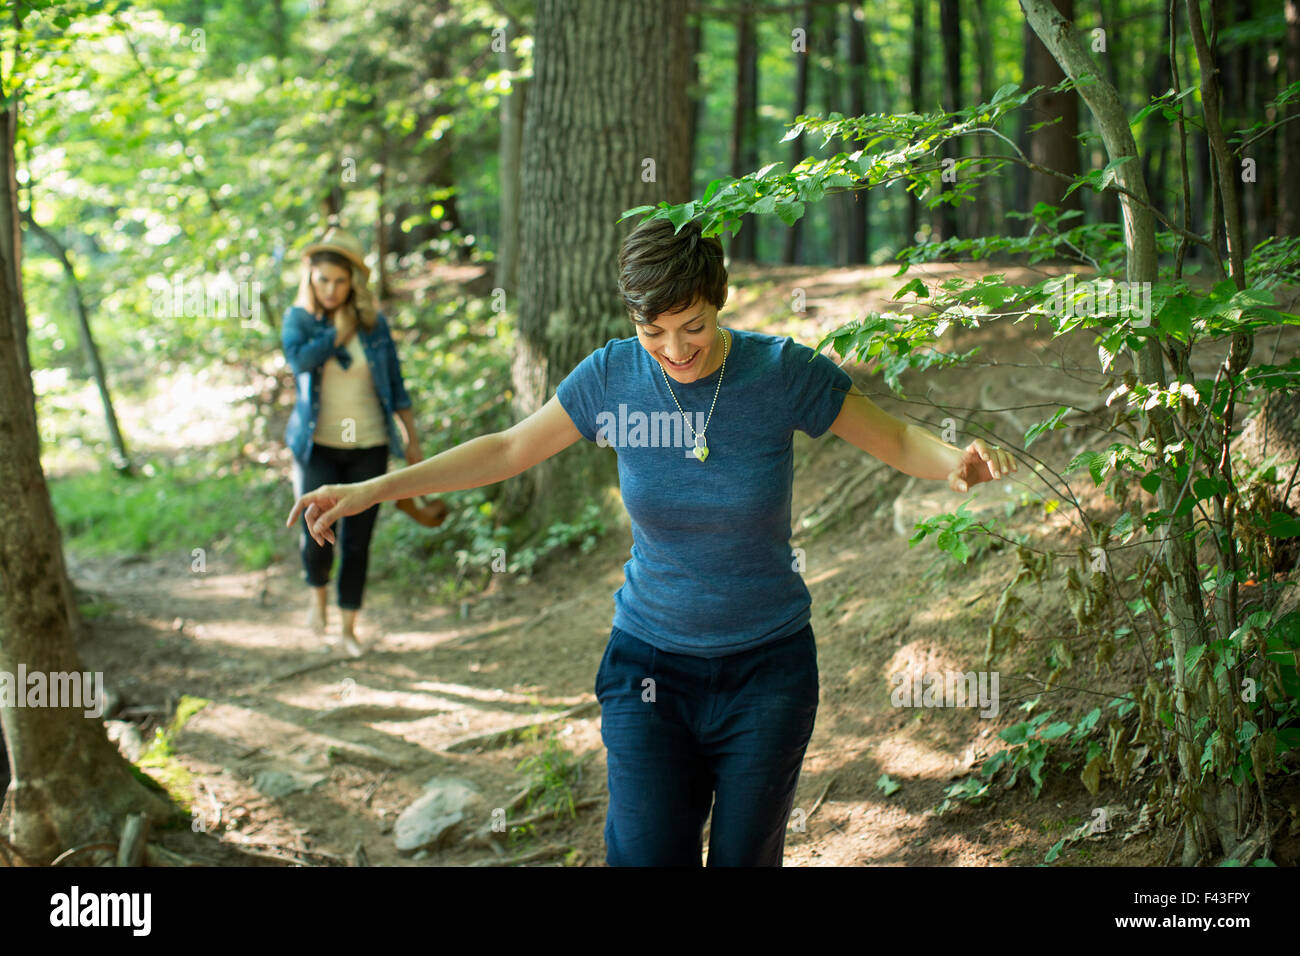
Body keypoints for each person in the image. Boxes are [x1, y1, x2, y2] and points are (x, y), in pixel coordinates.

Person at [284, 218, 1017, 864]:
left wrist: (954, 462)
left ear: (718, 298)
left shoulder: (779, 372)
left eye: (692, 325)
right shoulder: (612, 376)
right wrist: (374, 487)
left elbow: (889, 432)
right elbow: (508, 450)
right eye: (653, 330)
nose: (675, 349)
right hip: (648, 667)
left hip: (769, 671)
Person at [281, 226, 440, 657]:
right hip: (318, 447)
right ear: (310, 280)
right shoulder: (299, 320)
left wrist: (411, 440)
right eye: (323, 280)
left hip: (368, 446)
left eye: (340, 280)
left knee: (357, 541)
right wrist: (338, 332)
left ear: (353, 281)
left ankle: (348, 627)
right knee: (316, 531)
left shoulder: (375, 325)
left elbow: (397, 386)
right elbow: (299, 359)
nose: (331, 289)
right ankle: (318, 604)